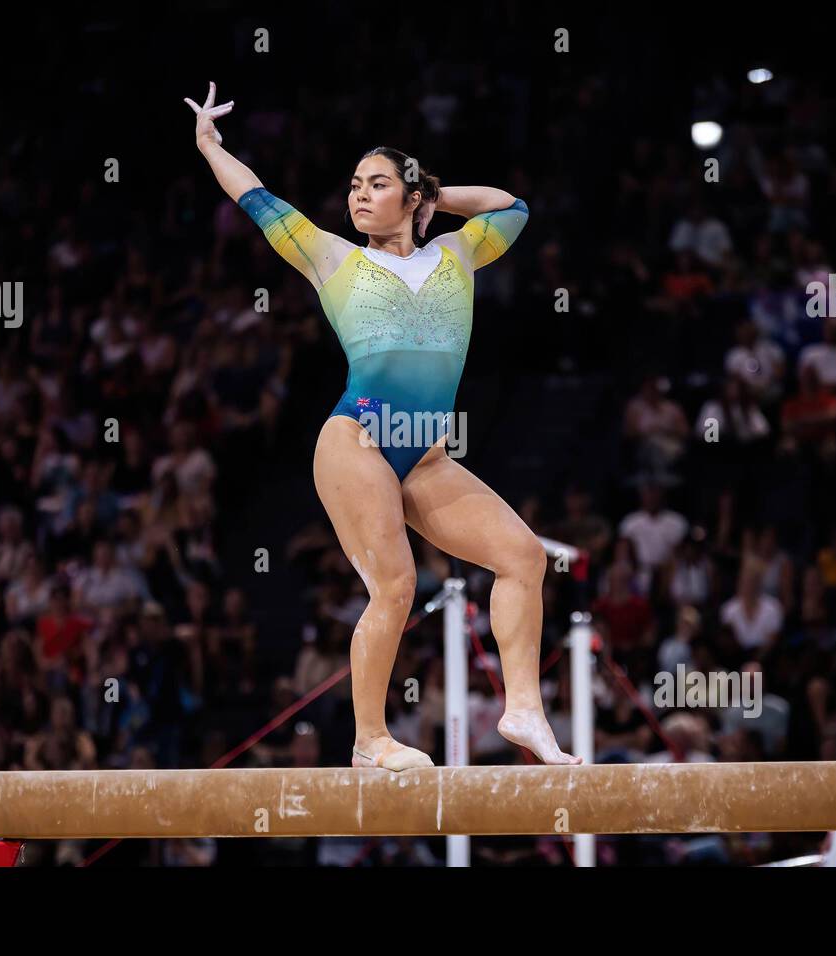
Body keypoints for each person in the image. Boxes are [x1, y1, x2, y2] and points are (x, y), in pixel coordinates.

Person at [187, 82, 578, 770]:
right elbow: (257, 200)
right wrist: (212, 145)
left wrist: (436, 194)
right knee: (395, 585)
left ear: (411, 197)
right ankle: (370, 740)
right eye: (353, 186)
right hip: (355, 442)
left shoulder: (458, 254)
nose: (358, 195)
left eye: (376, 184)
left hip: (425, 460)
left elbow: (512, 207)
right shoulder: (334, 257)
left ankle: (523, 709)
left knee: (523, 558)